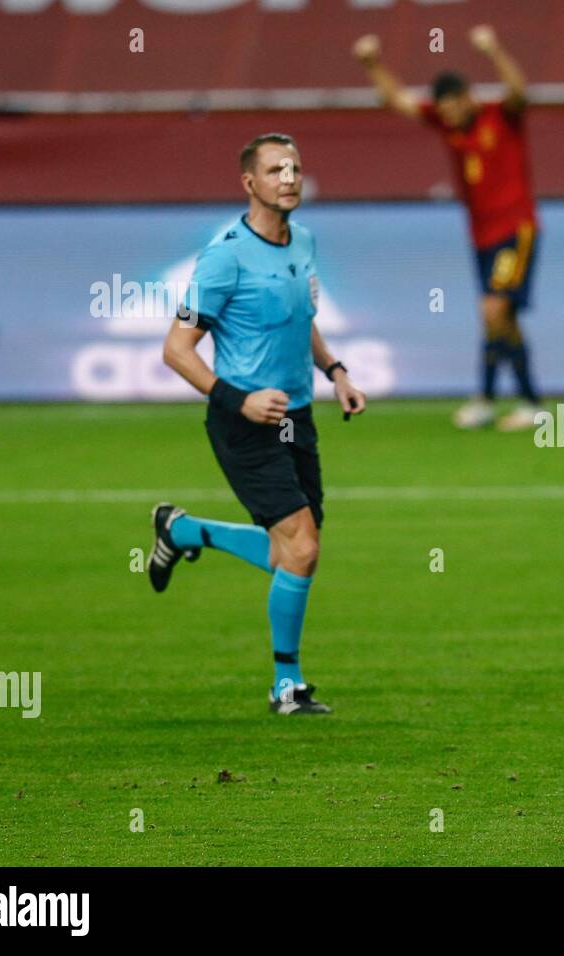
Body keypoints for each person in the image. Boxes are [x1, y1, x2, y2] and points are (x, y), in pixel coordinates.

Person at [152, 133, 367, 715]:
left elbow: (304, 320)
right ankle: (285, 685)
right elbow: (176, 349)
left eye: (295, 167)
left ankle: (183, 532)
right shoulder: (224, 255)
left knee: (292, 554)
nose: (289, 178)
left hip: (296, 418)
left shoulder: (306, 242)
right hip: (244, 422)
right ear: (250, 183)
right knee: (301, 547)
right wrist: (238, 398)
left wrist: (337, 371)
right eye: (276, 170)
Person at [353, 25, 543, 431]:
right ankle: (515, 400)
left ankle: (509, 399)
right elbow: (398, 100)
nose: (450, 114)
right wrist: (372, 64)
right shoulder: (447, 124)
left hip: (515, 228)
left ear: (468, 97)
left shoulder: (499, 117)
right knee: (498, 318)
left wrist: (494, 49)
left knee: (493, 309)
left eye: (454, 106)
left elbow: (519, 89)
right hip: (482, 236)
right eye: (444, 109)